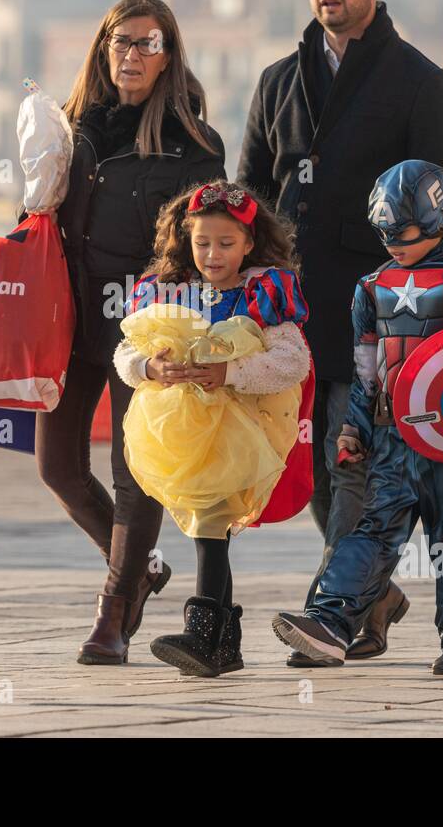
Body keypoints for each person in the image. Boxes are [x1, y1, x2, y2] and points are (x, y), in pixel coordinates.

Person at [237, 0, 443, 666]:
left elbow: (438, 201)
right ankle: (375, 595)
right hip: (290, 314)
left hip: (377, 313)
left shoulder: (418, 82)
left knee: (352, 461)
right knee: (308, 473)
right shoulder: (277, 80)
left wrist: (434, 307)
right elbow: (250, 195)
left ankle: (330, 614)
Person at [21, 0, 226, 666]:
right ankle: (138, 570)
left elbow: (203, 243)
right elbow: (41, 216)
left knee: (136, 470)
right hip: (70, 316)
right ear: (103, 49)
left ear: (169, 57)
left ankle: (114, 613)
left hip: (145, 323)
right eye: (121, 42)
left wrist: (177, 317)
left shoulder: (192, 145)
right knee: (56, 467)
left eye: (147, 43)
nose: (131, 55)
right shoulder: (71, 127)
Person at [272, 160, 443, 675]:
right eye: (382, 233)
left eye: (400, 231)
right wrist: (354, 427)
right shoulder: (371, 287)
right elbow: (365, 369)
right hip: (392, 435)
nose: (391, 243)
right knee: (372, 531)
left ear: (438, 218)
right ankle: (330, 623)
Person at [112, 180, 311, 677]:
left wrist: (231, 372)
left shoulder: (263, 291)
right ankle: (223, 642)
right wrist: (150, 369)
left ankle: (206, 634)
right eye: (202, 243)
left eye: (226, 243)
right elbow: (124, 354)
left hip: (241, 427)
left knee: (210, 523)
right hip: (183, 432)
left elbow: (294, 362)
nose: (212, 254)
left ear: (249, 242)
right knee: (212, 524)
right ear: (186, 238)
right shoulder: (167, 289)